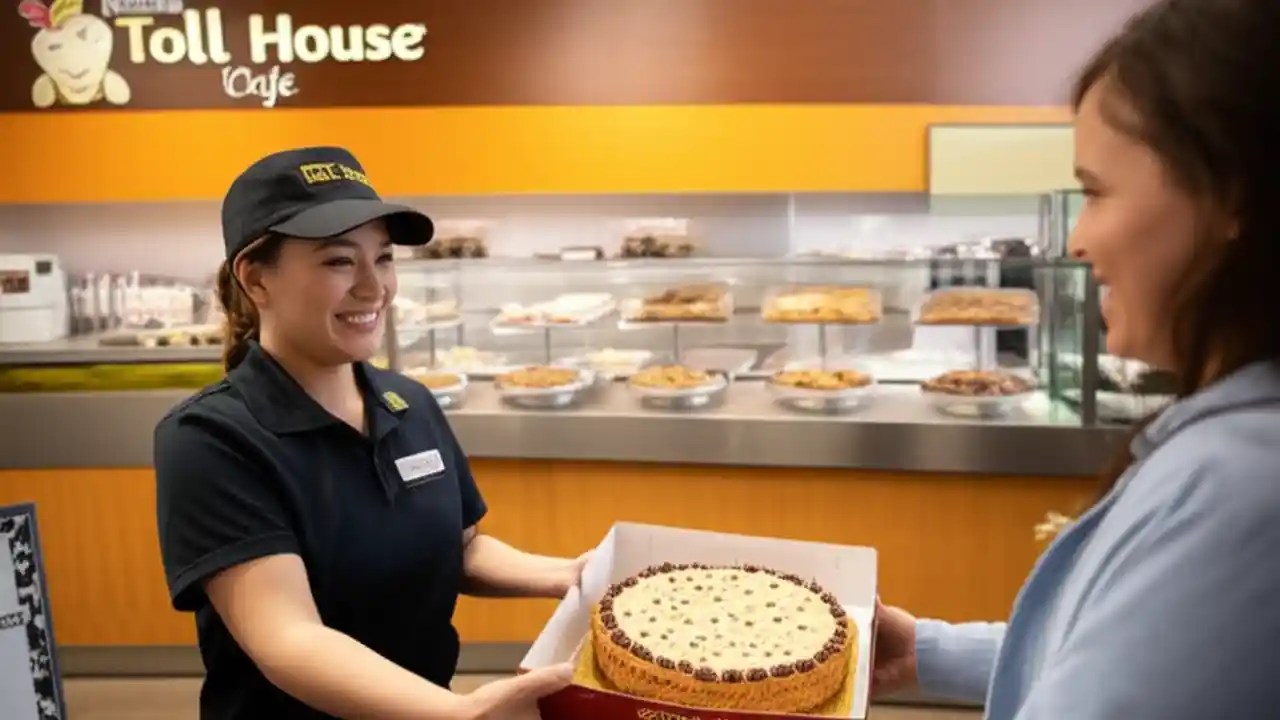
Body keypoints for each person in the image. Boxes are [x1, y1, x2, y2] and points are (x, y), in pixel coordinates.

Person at [872, 0, 1280, 717]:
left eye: (1094, 192)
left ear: (1233, 196)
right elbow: (1138, 652)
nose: (1075, 242)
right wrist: (926, 653)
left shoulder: (1242, 488)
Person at [154, 146, 586, 720]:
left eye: (382, 259)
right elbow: (288, 637)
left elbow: (458, 546)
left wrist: (567, 576)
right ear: (256, 278)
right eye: (338, 262)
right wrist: (457, 714)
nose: (373, 288)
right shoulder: (211, 439)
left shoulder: (409, 402)